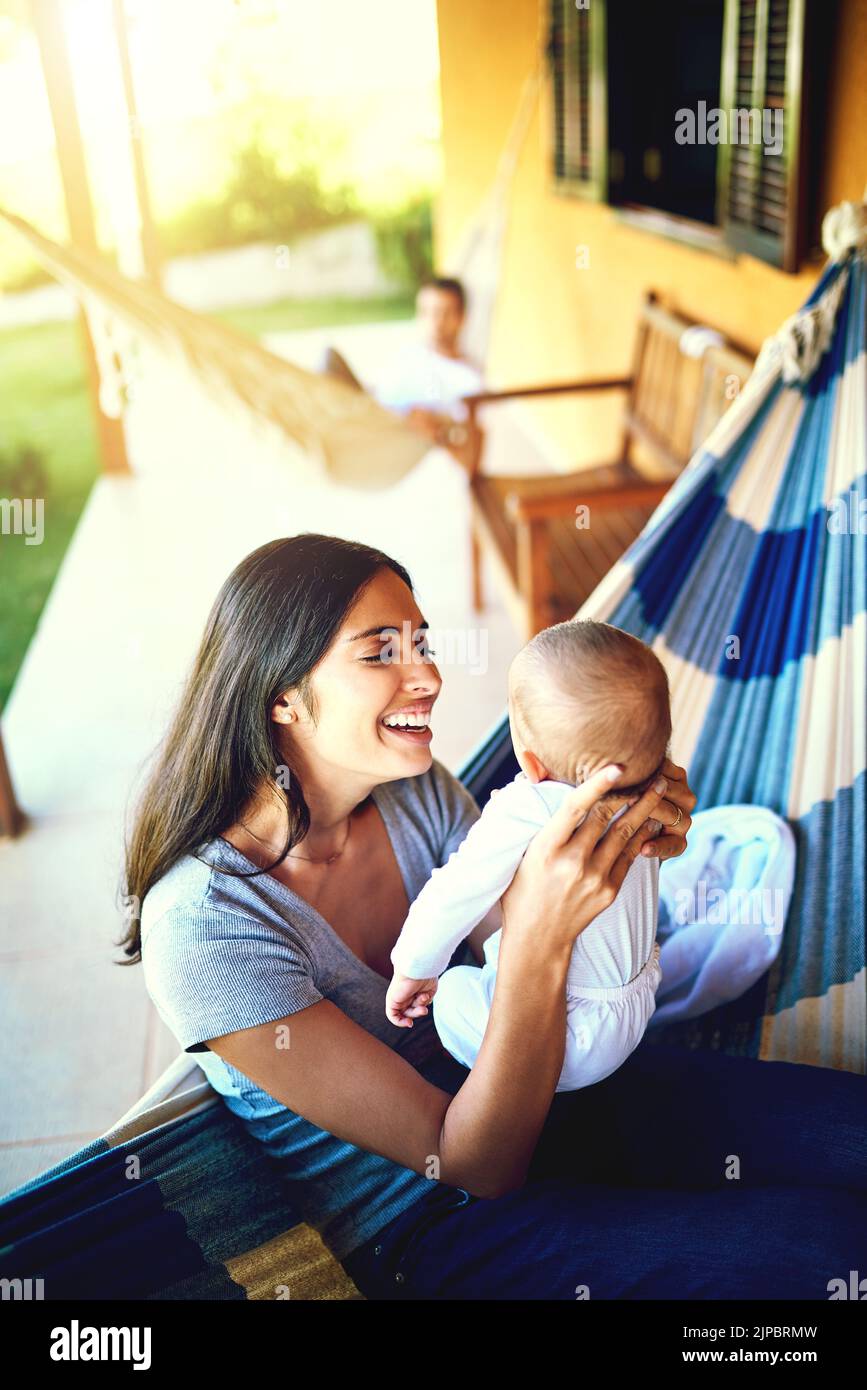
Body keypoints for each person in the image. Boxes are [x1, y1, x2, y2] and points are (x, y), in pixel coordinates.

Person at [125, 533, 867, 1300]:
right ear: (281, 696)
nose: (429, 676)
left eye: (422, 643)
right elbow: (477, 1164)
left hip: (560, 1089)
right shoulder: (204, 926)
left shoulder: (411, 792)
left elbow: (511, 925)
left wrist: (626, 836)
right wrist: (543, 937)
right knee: (830, 1254)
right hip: (437, 1220)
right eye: (381, 653)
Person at [386, 620, 669, 1092]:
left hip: (562, 1032)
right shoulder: (648, 800)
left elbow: (456, 891)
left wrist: (414, 968)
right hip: (633, 1005)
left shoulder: (528, 804)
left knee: (455, 990)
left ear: (530, 760)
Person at [321, 276, 484, 453]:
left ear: (462, 319)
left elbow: (467, 436)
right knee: (328, 358)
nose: (436, 322)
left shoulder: (469, 378)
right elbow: (383, 391)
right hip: (368, 411)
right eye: (427, 313)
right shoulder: (411, 354)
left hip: (393, 436)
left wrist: (438, 429)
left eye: (444, 313)